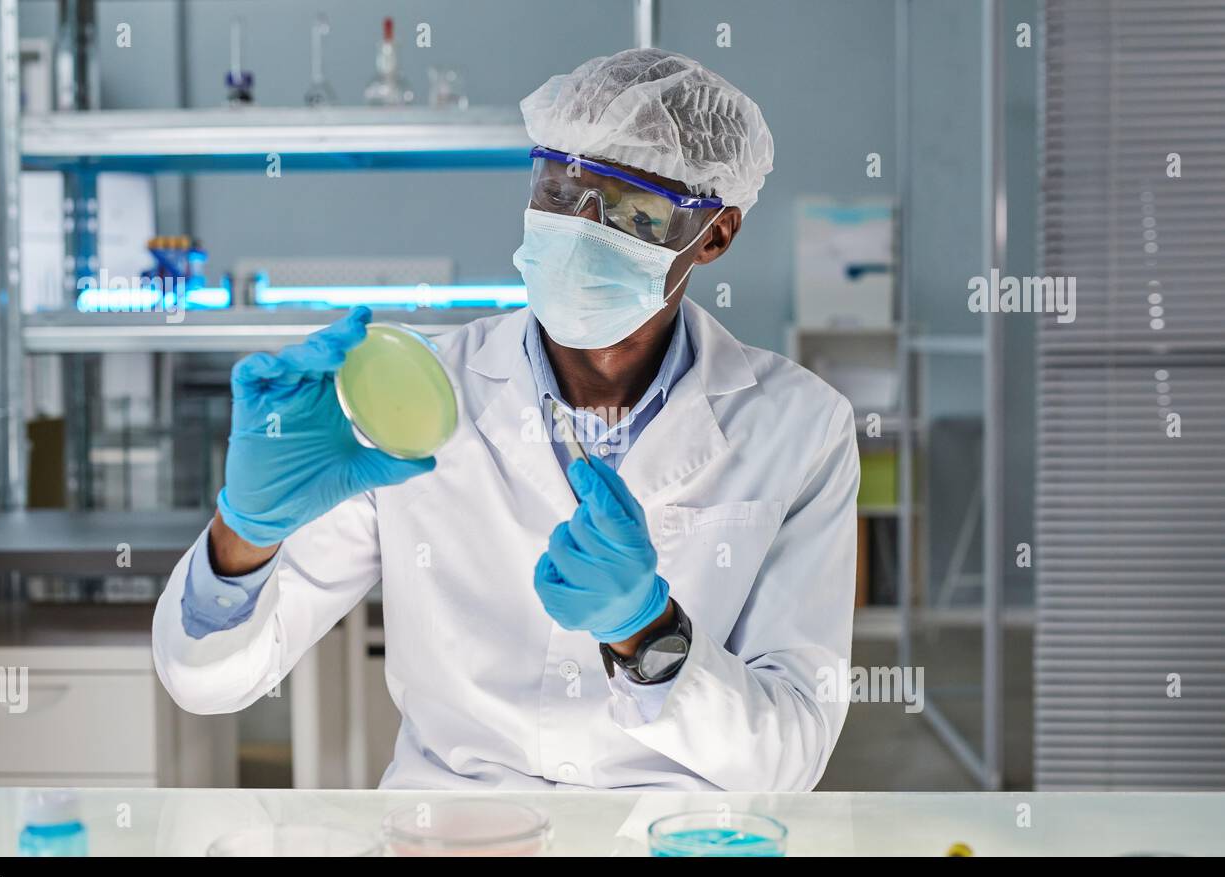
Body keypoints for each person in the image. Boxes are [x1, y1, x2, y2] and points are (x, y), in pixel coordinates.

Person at [152, 48, 859, 791]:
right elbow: (207, 683)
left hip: (671, 838)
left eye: (631, 208)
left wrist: (648, 635)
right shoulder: (416, 398)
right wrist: (247, 533)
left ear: (714, 234)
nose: (581, 227)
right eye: (560, 188)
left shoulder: (799, 428)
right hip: (448, 835)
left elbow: (791, 755)